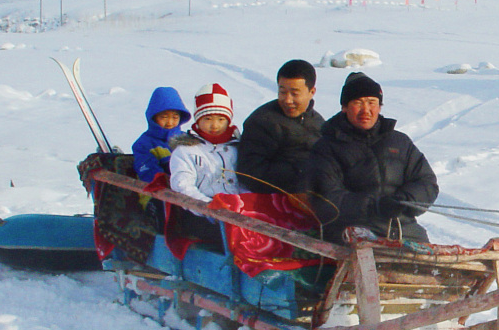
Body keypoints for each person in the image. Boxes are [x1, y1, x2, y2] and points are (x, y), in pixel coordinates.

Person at [304, 72, 438, 243]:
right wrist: (374, 206)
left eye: (371, 102)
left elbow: (426, 181)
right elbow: (326, 197)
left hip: (403, 228)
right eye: (358, 103)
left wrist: (405, 200)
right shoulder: (327, 147)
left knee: (432, 263)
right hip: (350, 230)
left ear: (380, 106)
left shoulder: (399, 142)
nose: (366, 110)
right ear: (344, 107)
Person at [237, 59, 325, 194]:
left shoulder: (318, 122)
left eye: (295, 93)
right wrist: (299, 172)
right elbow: (249, 173)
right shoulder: (263, 122)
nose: (287, 100)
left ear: (311, 92)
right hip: (278, 197)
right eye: (282, 92)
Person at [169, 83, 247, 203]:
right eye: (208, 119)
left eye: (221, 119)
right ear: (198, 120)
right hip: (201, 209)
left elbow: (246, 183)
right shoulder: (186, 151)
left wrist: (247, 202)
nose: (215, 125)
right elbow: (182, 186)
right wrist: (208, 206)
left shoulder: (236, 148)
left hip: (236, 207)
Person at [131, 87, 191, 182]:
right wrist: (161, 181)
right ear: (154, 117)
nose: (170, 122)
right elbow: (146, 168)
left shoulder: (187, 140)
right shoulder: (143, 144)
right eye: (164, 117)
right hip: (159, 191)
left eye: (175, 117)